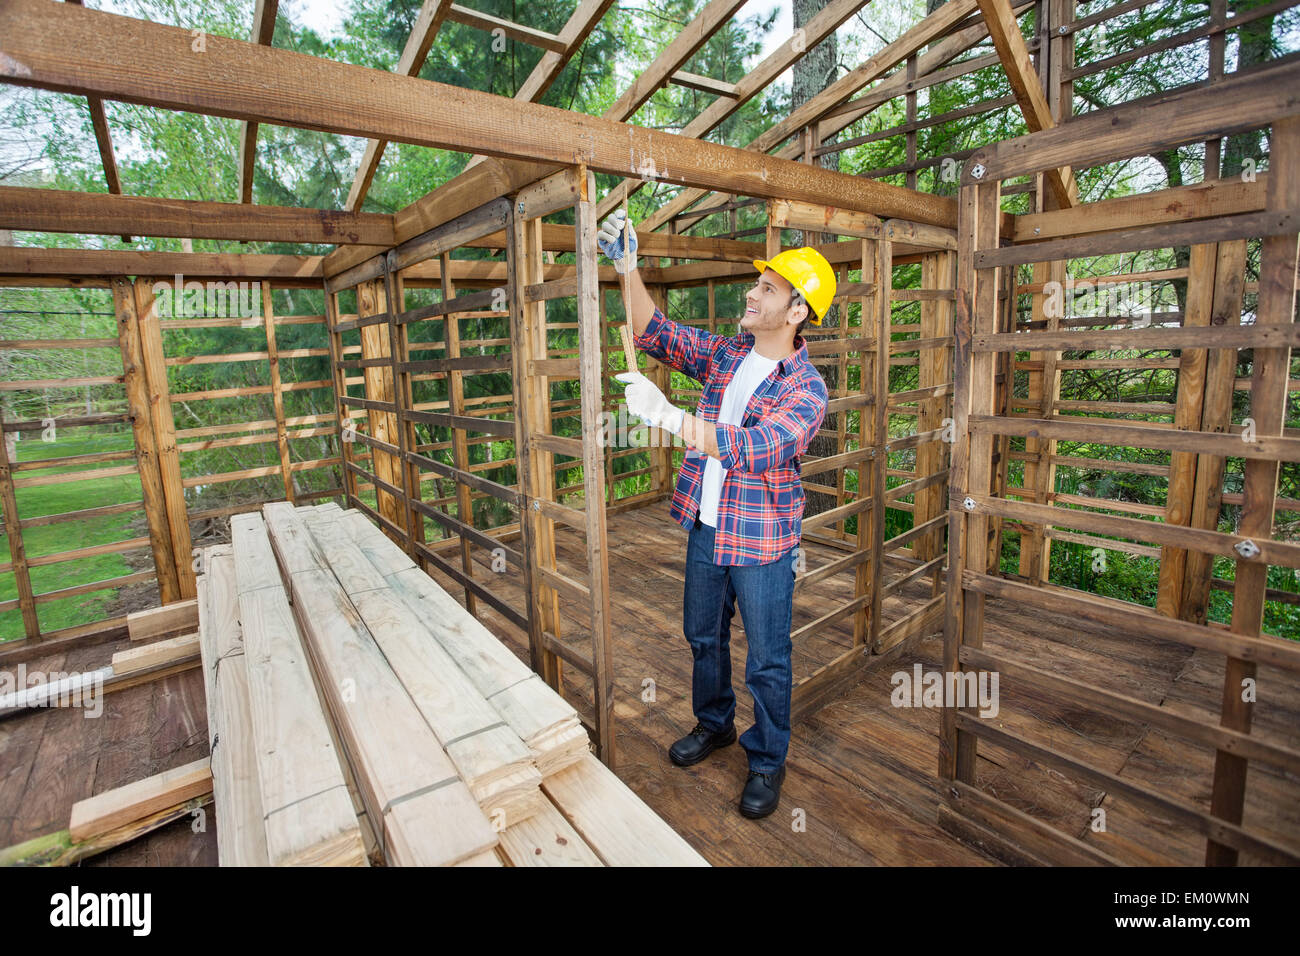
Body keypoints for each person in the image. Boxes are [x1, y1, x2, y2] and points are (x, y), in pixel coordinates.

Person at [598, 208, 832, 819]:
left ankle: (766, 760)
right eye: (756, 285)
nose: (751, 294)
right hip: (706, 528)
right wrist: (628, 267)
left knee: (768, 658)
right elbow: (656, 330)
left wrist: (671, 417)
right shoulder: (728, 356)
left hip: (761, 545)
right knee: (704, 638)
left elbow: (758, 449)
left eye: (767, 289)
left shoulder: (806, 388)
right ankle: (715, 725)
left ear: (798, 310)